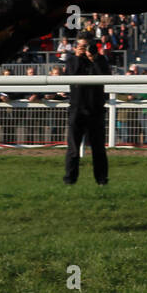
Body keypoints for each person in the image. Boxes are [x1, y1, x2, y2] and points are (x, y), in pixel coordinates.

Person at [62, 37, 112, 185]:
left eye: (88, 46)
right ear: (77, 47)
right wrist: (78, 57)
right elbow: (71, 77)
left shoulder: (100, 59)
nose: (86, 49)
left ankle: (102, 180)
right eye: (82, 46)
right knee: (73, 148)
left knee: (98, 149)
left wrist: (94, 58)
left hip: (96, 109)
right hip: (77, 109)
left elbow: (105, 77)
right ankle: (70, 180)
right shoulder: (72, 60)